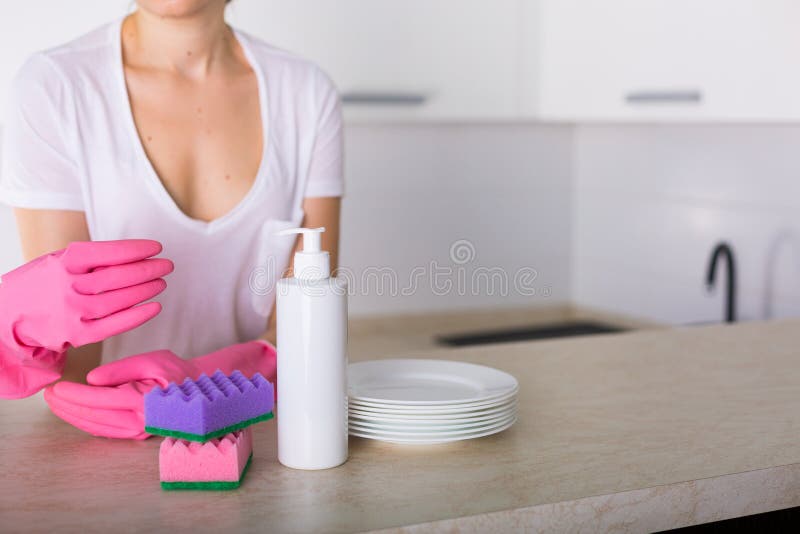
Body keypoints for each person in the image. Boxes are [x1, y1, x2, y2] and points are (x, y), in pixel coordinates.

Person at [0, 0, 342, 438]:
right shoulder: (55, 86)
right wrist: (21, 338)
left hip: (256, 431)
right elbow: (71, 352)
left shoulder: (307, 93)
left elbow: (314, 317)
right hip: (97, 446)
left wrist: (238, 373)